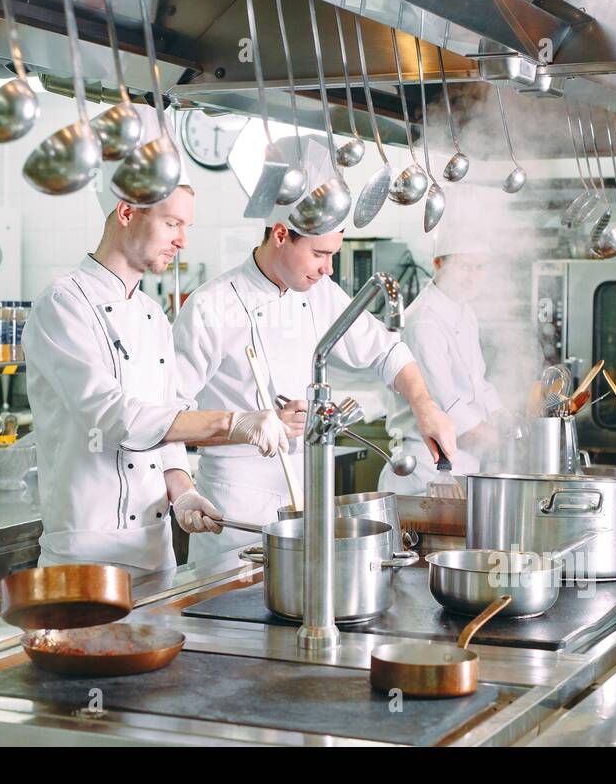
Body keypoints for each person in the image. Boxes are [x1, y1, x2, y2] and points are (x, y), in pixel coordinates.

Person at [24, 108, 293, 573]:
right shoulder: (63, 304)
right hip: (86, 557)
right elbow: (118, 418)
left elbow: (165, 420)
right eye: (173, 224)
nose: (183, 241)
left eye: (186, 226)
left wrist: (182, 488)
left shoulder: (151, 314)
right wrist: (233, 423)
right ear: (126, 212)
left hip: (154, 551)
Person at [172, 136, 457, 564]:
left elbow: (387, 352)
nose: (328, 268)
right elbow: (165, 420)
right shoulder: (212, 306)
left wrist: (424, 405)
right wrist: (243, 427)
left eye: (333, 254)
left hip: (303, 500)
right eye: (320, 254)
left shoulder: (319, 292)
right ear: (282, 234)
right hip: (235, 512)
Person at [379, 187, 508, 494]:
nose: (473, 276)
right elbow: (445, 407)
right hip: (426, 467)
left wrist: (504, 417)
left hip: (464, 464)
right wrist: (505, 448)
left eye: (480, 267)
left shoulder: (465, 311)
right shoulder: (425, 321)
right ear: (438, 263)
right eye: (464, 266)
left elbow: (479, 383)